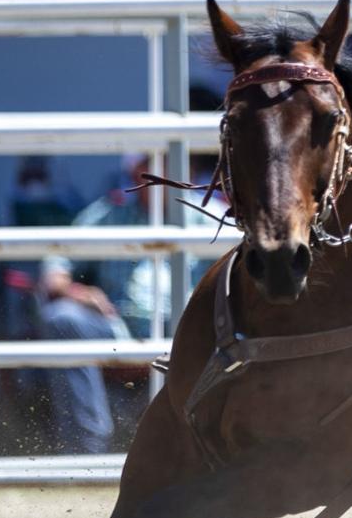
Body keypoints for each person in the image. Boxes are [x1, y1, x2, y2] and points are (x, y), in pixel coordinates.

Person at [37, 154, 224, 454]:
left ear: (187, 171)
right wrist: (78, 292)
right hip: (117, 331)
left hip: (188, 335)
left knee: (230, 326)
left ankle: (208, 446)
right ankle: (86, 449)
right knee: (63, 318)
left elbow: (245, 273)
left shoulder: (209, 216)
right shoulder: (108, 214)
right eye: (150, 165)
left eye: (169, 163)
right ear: (136, 172)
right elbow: (54, 270)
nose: (160, 174)